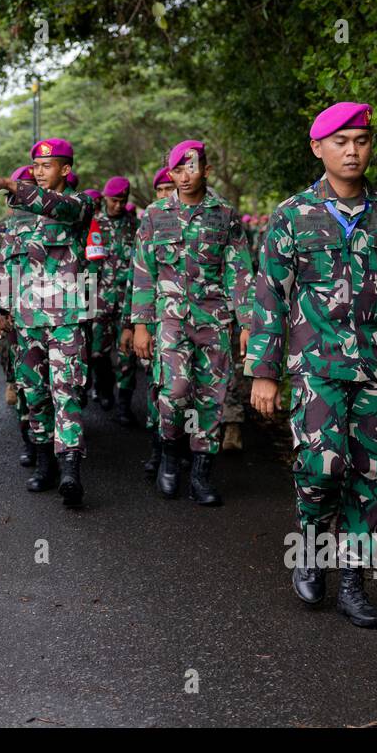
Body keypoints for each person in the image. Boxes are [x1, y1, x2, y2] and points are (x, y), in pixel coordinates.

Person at [246, 101, 377, 629]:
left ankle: (354, 581)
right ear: (318, 148)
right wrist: (263, 372)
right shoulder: (291, 216)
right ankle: (310, 548)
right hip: (315, 366)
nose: (352, 150)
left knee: (370, 475)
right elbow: (269, 296)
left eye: (361, 140)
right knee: (321, 465)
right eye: (340, 141)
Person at [0, 140, 96, 507]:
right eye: (35, 166)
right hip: (26, 323)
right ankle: (44, 462)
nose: (39, 171)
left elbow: (55, 204)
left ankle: (70, 467)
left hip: (65, 320)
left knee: (66, 391)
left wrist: (9, 185)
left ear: (66, 170)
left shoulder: (79, 205)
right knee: (35, 394)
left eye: (47, 165)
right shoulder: (16, 224)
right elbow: (1, 268)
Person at [131, 141, 252, 506]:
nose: (184, 177)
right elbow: (143, 273)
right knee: (176, 391)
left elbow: (239, 273)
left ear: (206, 170)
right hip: (170, 319)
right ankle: (169, 456)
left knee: (211, 398)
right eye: (177, 171)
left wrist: (246, 322)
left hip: (215, 321)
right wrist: (141, 325)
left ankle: (201, 474)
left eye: (191, 168)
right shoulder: (154, 215)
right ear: (169, 174)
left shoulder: (225, 216)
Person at [121, 167, 176, 475]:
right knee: (158, 386)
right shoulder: (151, 221)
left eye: (171, 187)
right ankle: (160, 448)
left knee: (189, 391)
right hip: (155, 321)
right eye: (162, 189)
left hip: (196, 322)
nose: (167, 193)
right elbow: (138, 276)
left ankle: (184, 449)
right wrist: (134, 325)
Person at [0, 168, 39, 467]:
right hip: (15, 318)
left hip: (52, 318)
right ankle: (30, 442)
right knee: (23, 382)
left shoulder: (53, 224)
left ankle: (56, 443)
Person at [88, 176, 137, 419]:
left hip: (128, 300)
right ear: (105, 198)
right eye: (114, 200)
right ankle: (104, 388)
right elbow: (85, 265)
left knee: (127, 352)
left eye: (123, 201)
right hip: (100, 300)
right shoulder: (94, 225)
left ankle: (124, 405)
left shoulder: (136, 226)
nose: (119, 205)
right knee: (98, 351)